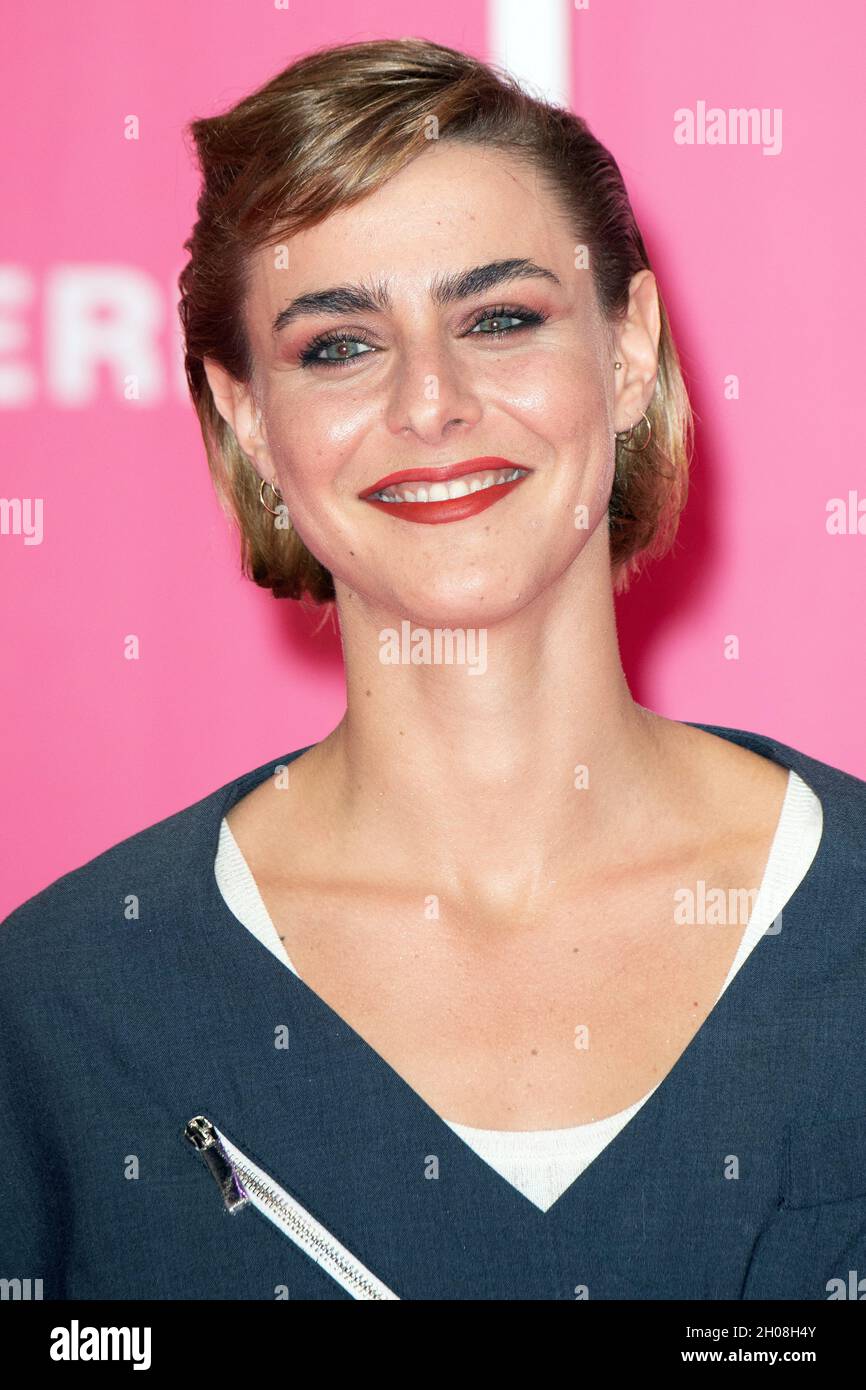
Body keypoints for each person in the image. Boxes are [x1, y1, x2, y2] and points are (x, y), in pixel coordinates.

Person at [2, 36, 865, 1303]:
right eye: (337, 346)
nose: (430, 402)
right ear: (244, 414)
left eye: (500, 318)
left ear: (625, 356)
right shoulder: (68, 1010)